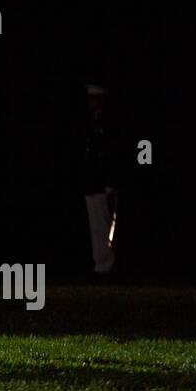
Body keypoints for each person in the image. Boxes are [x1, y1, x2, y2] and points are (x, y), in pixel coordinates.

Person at [81, 84, 118, 274]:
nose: (90, 102)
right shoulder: (93, 123)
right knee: (97, 226)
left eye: (93, 98)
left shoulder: (107, 124)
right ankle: (100, 263)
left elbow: (109, 155)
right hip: (93, 182)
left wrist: (110, 182)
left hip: (101, 183)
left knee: (104, 224)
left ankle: (106, 263)